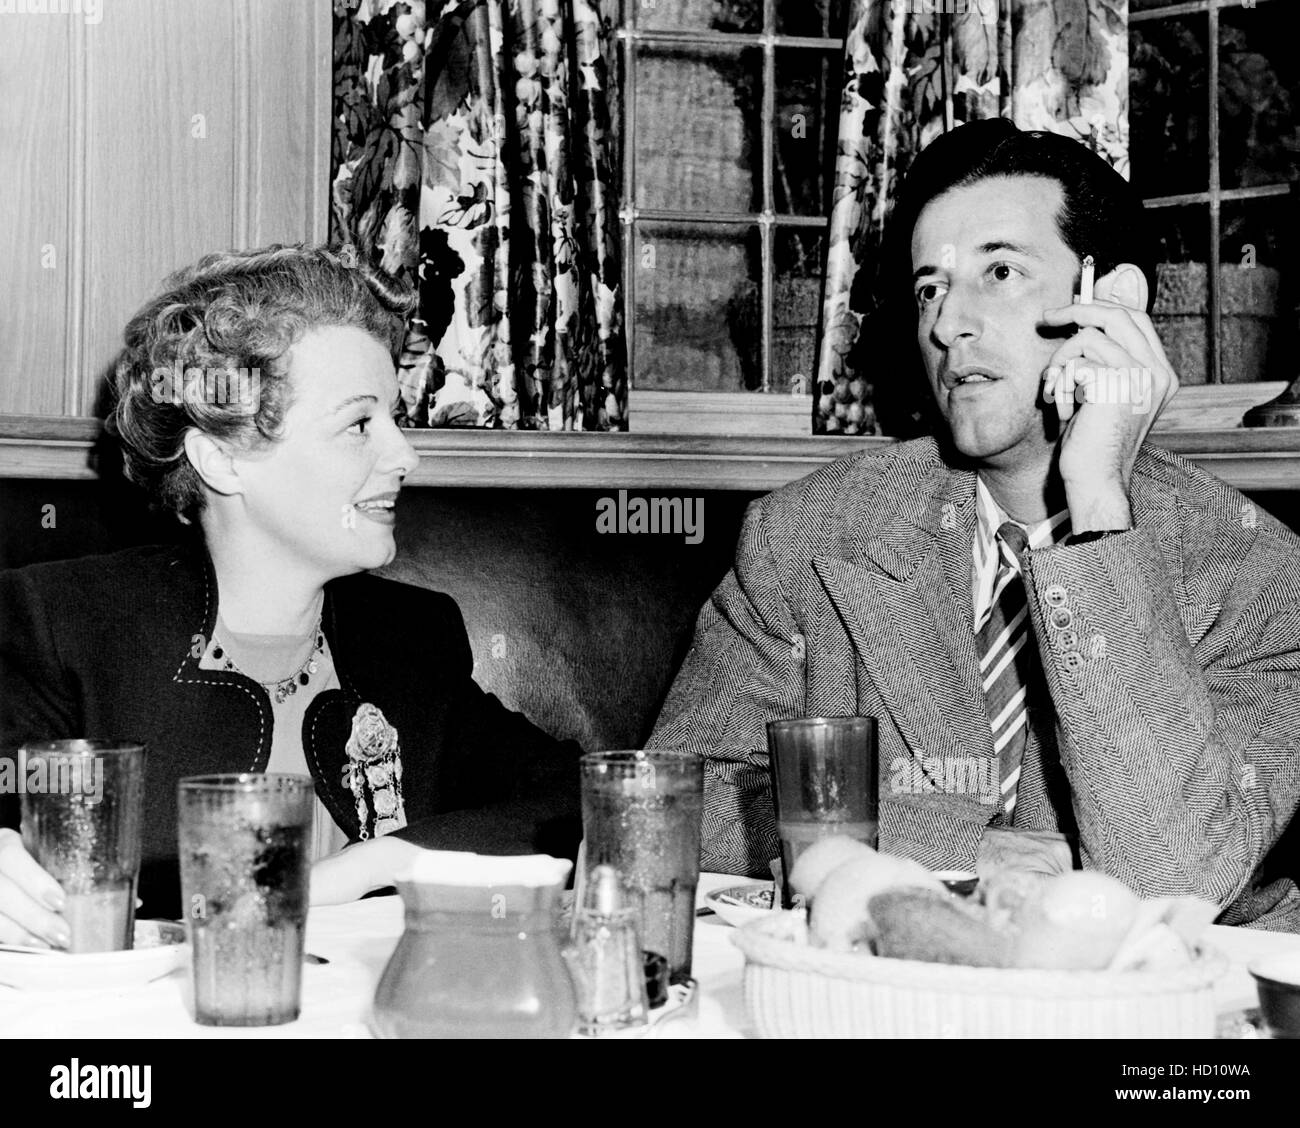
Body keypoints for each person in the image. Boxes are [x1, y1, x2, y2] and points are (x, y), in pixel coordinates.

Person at [649, 119, 1300, 930]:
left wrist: (1095, 505)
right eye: (930, 288)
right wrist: (954, 845)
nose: (947, 324)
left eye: (999, 271)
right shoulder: (808, 536)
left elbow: (1169, 878)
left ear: (1113, 304)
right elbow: (671, 801)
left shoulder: (1261, 578)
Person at [0, 245, 581, 948]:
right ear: (222, 458)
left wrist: (386, 861)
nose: (405, 455)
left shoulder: (409, 637)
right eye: (360, 424)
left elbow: (584, 797)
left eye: (393, 420)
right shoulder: (63, 624)